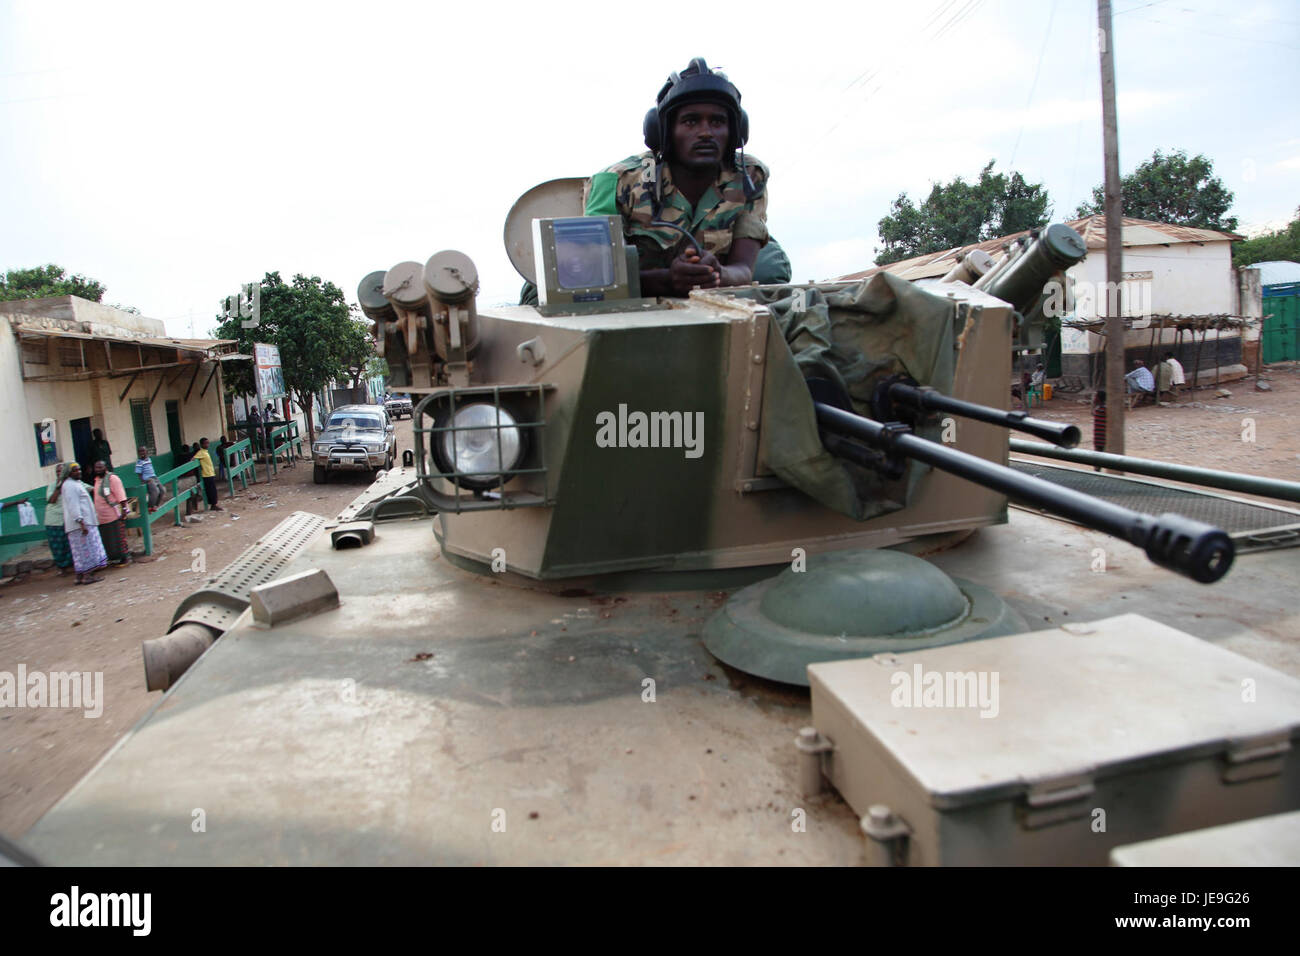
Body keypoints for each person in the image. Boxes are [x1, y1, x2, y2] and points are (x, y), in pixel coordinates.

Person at [584, 57, 769, 297]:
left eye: (717, 121)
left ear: (734, 132)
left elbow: (743, 269)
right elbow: (594, 277)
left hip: (715, 299)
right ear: (664, 133)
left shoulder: (749, 177)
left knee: (772, 268)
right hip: (633, 303)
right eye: (691, 121)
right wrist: (667, 280)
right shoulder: (616, 182)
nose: (705, 132)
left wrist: (716, 273)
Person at [61, 463, 107, 585]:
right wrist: (81, 522)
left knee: (79, 552)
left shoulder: (74, 484)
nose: (79, 472)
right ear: (69, 473)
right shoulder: (70, 486)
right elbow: (73, 505)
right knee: (87, 550)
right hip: (82, 524)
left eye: (79, 469)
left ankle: (79, 576)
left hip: (82, 523)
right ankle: (87, 576)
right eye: (75, 471)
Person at [92, 460, 133, 566]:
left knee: (119, 538)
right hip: (102, 518)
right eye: (96, 468)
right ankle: (114, 558)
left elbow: (121, 497)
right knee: (108, 539)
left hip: (114, 516)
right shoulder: (97, 480)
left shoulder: (112, 479)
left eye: (100, 467)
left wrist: (124, 512)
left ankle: (125, 558)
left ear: (105, 468)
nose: (98, 470)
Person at [43, 462, 74, 575]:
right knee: (57, 546)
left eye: (61, 471)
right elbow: (51, 500)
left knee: (70, 543)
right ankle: (62, 568)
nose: (59, 473)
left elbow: (88, 489)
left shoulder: (73, 482)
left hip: (69, 519)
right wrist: (58, 487)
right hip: (54, 520)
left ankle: (72, 566)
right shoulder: (52, 486)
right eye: (57, 472)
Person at [134, 446, 166, 512]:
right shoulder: (139, 462)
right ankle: (149, 507)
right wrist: (144, 480)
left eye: (143, 451)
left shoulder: (149, 459)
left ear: (146, 452)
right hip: (148, 479)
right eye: (140, 451)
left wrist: (154, 478)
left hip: (154, 477)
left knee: (162, 491)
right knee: (155, 492)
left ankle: (155, 505)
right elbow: (139, 474)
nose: (142, 453)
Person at [194, 437, 222, 511]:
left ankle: (214, 504)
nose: (207, 445)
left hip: (210, 473)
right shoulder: (201, 452)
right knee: (211, 491)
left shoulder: (205, 452)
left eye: (208, 443)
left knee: (213, 490)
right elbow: (193, 459)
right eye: (205, 443)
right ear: (201, 444)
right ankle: (213, 505)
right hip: (206, 475)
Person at [1092, 390, 1107, 470]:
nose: (1094, 399)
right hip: (1098, 437)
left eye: (1095, 397)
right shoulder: (1098, 409)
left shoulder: (1103, 409)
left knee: (1099, 456)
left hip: (1102, 437)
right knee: (1098, 456)